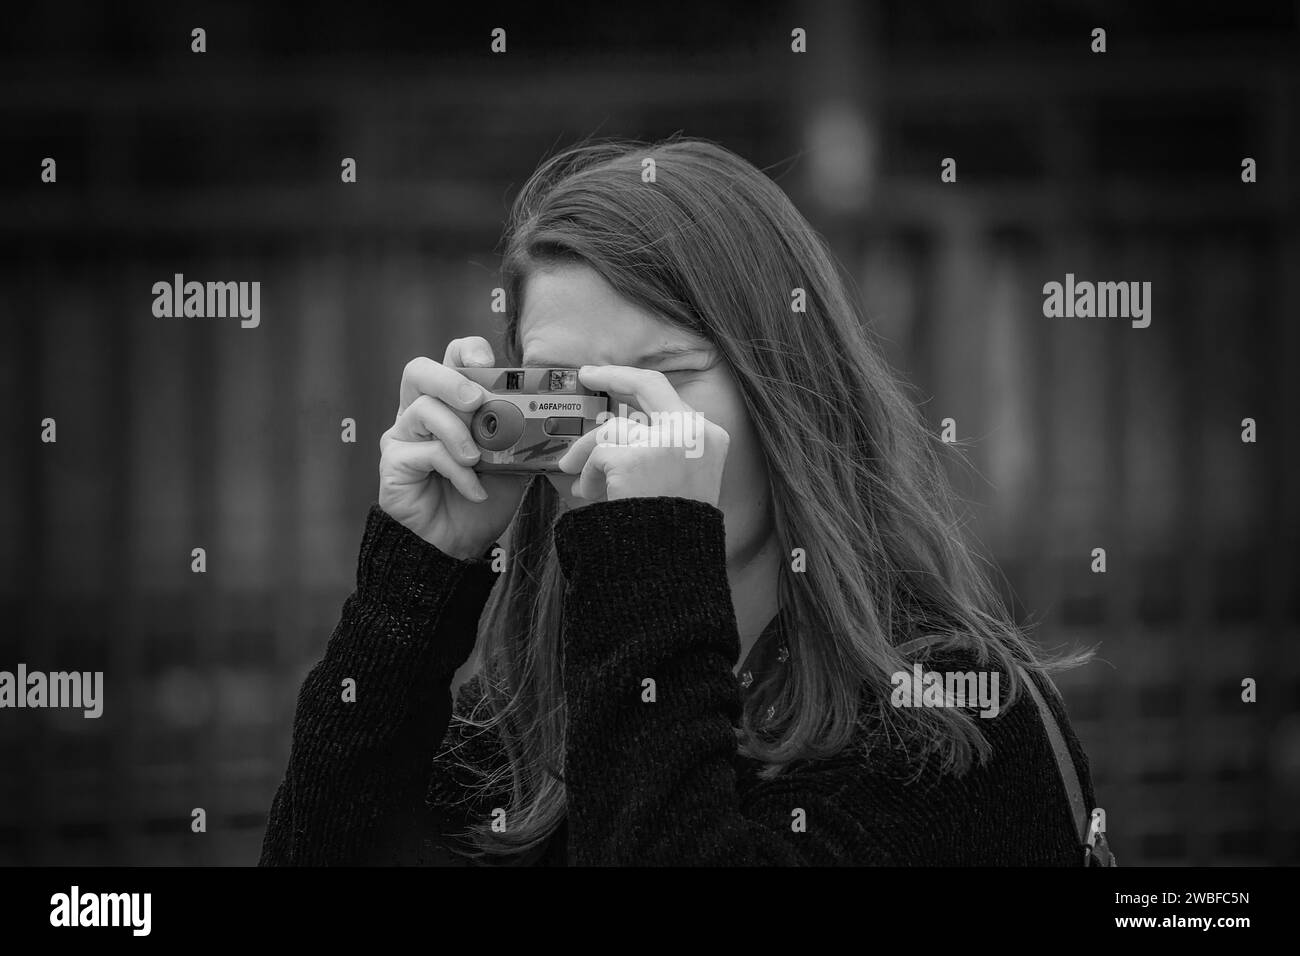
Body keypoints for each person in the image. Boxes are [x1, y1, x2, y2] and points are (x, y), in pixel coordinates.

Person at [258, 136, 1097, 866]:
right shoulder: (516, 732)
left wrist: (653, 548)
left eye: (668, 376)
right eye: (575, 390)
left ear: (788, 393)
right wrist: (416, 581)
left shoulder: (950, 718)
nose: (622, 429)